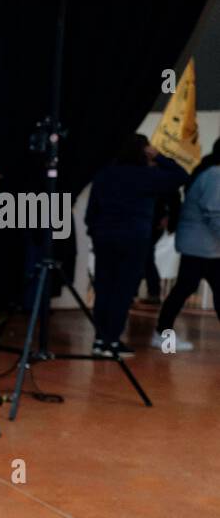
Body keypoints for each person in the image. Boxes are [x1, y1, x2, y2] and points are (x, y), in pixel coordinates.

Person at [84, 134, 188, 356]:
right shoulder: (147, 176)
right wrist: (159, 157)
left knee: (104, 290)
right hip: (133, 239)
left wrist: (95, 233)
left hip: (105, 238)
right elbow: (181, 176)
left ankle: (99, 340)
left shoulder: (105, 174)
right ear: (144, 151)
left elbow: (92, 211)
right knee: (123, 291)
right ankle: (112, 341)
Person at [155, 145, 220, 351]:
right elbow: (215, 213)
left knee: (185, 289)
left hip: (204, 246)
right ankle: (162, 336)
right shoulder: (215, 175)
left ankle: (162, 335)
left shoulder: (211, 173)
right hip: (201, 246)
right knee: (183, 290)